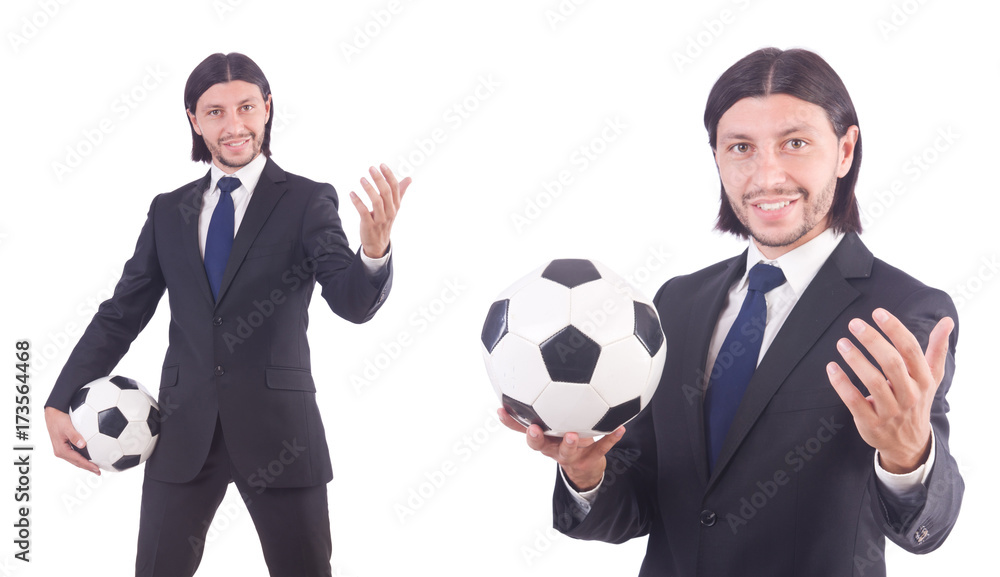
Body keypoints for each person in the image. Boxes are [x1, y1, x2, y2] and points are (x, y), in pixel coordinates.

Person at [500, 47, 963, 576]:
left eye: (795, 143)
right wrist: (587, 473)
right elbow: (647, 505)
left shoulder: (902, 312)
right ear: (717, 157)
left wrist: (909, 457)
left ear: (845, 150)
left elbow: (928, 528)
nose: (767, 176)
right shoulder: (676, 303)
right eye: (741, 147)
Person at [43, 52, 409, 577]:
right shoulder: (169, 211)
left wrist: (373, 253)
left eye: (245, 107)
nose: (233, 125)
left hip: (281, 434)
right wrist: (60, 400)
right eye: (214, 112)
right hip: (181, 431)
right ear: (194, 119)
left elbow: (352, 303)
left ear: (267, 109)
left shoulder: (306, 201)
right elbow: (122, 313)